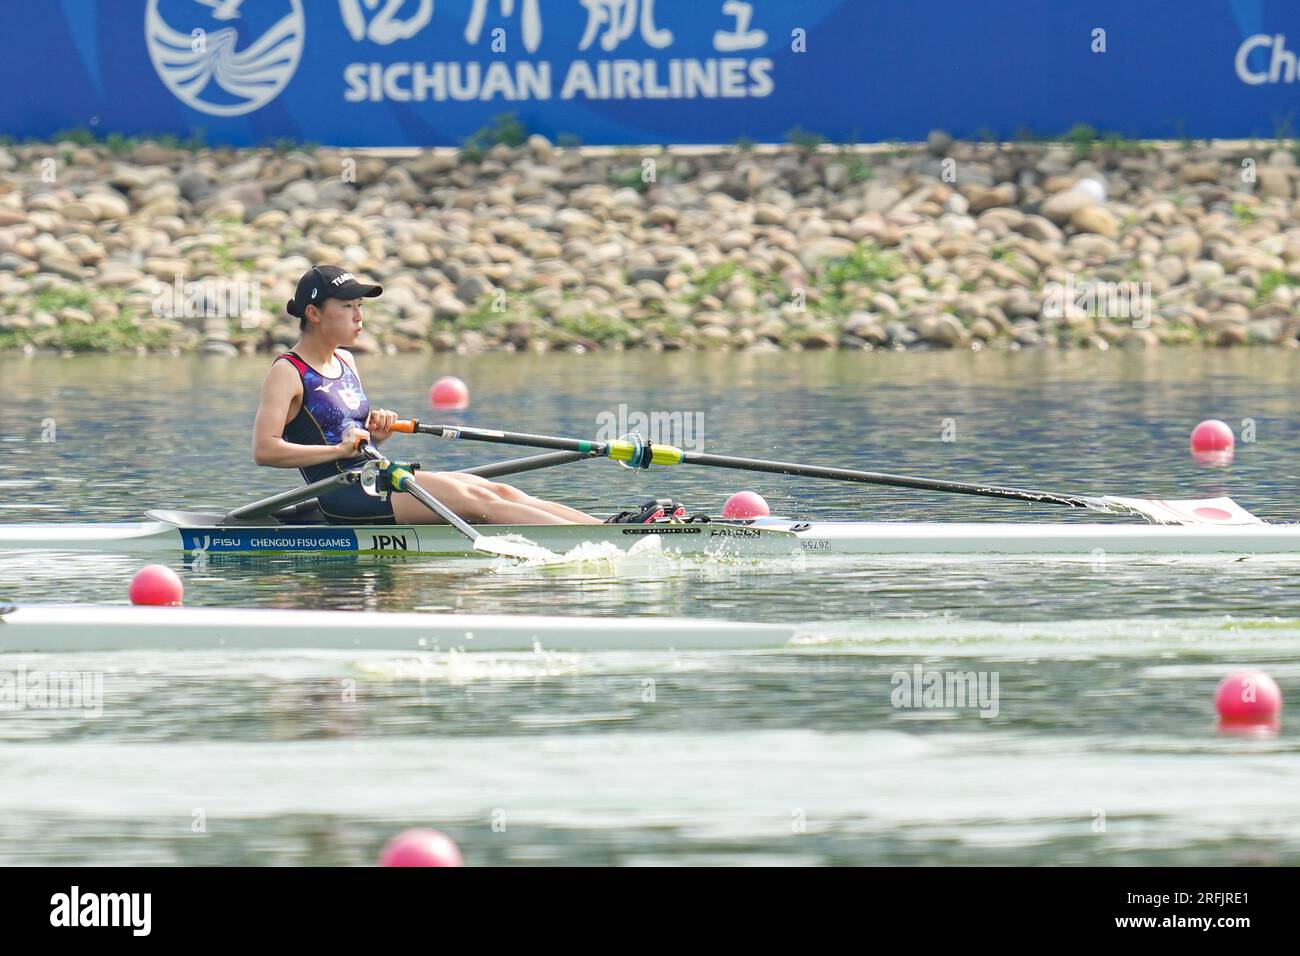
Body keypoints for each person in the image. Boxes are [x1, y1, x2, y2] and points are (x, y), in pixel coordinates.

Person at [252, 265, 602, 526]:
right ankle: (596, 541)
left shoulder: (346, 360)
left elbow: (348, 435)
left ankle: (606, 527)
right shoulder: (288, 372)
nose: (360, 317)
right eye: (348, 307)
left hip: (376, 476)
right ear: (313, 314)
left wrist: (377, 435)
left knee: (495, 491)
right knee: (473, 499)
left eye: (360, 306)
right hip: (343, 495)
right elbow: (265, 450)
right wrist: (338, 451)